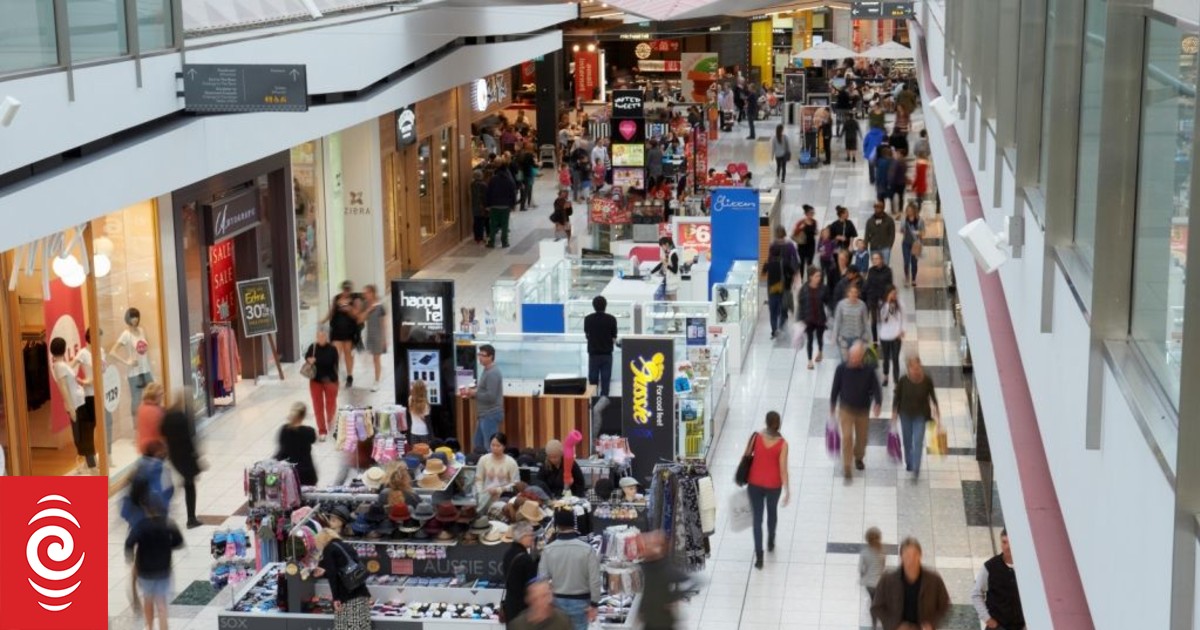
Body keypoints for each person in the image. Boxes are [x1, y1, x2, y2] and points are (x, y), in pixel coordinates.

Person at [124, 495, 183, 630]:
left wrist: (131, 557)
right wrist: (168, 546)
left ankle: (149, 627)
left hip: (145, 571)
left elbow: (129, 543)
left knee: (148, 600)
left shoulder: (140, 526)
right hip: (163, 569)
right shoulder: (168, 524)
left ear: (146, 509)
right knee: (162, 605)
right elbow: (179, 542)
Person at [539, 509, 603, 630]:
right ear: (574, 524)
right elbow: (594, 580)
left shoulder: (548, 550)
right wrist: (594, 604)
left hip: (557, 602)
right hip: (581, 602)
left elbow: (542, 580)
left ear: (556, 525)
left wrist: (544, 603)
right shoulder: (587, 549)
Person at [871, 538, 951, 630]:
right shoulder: (888, 580)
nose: (911, 559)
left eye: (915, 555)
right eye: (907, 555)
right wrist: (894, 625)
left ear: (920, 555)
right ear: (901, 557)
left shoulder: (934, 580)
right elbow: (877, 607)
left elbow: (944, 605)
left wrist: (931, 623)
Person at [830, 341, 882, 480]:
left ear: (862, 357)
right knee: (847, 437)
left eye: (856, 357)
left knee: (862, 439)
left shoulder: (869, 370)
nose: (853, 359)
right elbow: (835, 388)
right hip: (846, 409)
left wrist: (878, 402)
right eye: (851, 356)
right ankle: (847, 466)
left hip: (863, 410)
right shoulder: (841, 369)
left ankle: (858, 457)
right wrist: (832, 405)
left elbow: (876, 387)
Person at [744, 411, 790, 568]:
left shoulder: (756, 437)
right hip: (774, 485)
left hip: (754, 483)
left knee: (757, 518)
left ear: (766, 422)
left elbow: (745, 455)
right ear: (779, 424)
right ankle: (771, 539)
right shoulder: (783, 444)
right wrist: (787, 490)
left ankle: (759, 556)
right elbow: (783, 469)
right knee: (772, 512)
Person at [50, 336, 96, 471]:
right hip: (76, 404)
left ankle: (89, 464)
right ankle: (89, 465)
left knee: (85, 432)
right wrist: (71, 408)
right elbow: (63, 388)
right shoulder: (59, 367)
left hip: (79, 401)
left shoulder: (61, 365)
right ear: (63, 349)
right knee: (82, 434)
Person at [313, 529, 372, 630]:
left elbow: (333, 575)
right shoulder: (346, 546)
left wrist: (336, 598)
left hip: (347, 597)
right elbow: (351, 571)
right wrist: (325, 573)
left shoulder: (329, 549)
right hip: (361, 593)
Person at [893, 355, 941, 479]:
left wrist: (937, 411)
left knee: (918, 441)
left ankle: (916, 467)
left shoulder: (926, 380)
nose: (916, 370)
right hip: (905, 415)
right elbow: (897, 397)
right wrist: (893, 414)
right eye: (913, 368)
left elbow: (933, 396)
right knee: (907, 441)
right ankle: (909, 462)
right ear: (908, 368)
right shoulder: (903, 381)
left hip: (921, 415)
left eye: (917, 367)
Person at [161, 393, 203, 528]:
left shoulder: (167, 416)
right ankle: (191, 518)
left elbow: (162, 431)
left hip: (174, 455)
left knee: (185, 483)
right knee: (190, 486)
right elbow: (189, 439)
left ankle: (185, 516)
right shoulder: (182, 418)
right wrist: (196, 456)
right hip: (185, 456)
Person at [970, 529, 1025, 630]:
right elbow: (976, 594)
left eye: (1011, 542)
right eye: (1004, 542)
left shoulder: (1027, 567)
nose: (1007, 547)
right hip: (997, 627)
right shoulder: (990, 567)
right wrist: (989, 620)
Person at [638, 531, 690, 630]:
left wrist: (673, 597)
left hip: (663, 622)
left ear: (660, 549)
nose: (646, 547)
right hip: (650, 620)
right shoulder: (647, 566)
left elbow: (696, 580)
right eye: (646, 544)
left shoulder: (665, 569)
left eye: (651, 545)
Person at [111, 307, 153, 422]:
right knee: (136, 400)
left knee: (153, 395)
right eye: (132, 317)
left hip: (146, 369)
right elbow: (112, 352)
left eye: (136, 316)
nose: (135, 319)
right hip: (134, 373)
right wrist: (126, 362)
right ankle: (137, 427)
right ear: (128, 318)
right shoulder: (126, 334)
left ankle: (150, 422)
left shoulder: (141, 330)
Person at [467, 344, 504, 453]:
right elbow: (484, 392)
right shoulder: (486, 370)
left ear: (490, 357)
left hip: (490, 414)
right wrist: (474, 393)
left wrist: (475, 393)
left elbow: (491, 396)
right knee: (478, 444)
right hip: (485, 414)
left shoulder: (492, 373)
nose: (480, 357)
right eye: (479, 354)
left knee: (490, 447)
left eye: (483, 355)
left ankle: (491, 469)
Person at [323, 281, 361, 386]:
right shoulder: (336, 298)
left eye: (348, 290)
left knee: (348, 354)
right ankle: (334, 375)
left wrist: (349, 309)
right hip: (337, 331)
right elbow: (331, 312)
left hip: (349, 332)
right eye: (344, 289)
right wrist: (324, 320)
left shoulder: (355, 299)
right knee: (335, 354)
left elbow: (357, 315)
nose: (346, 292)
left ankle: (349, 375)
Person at [305, 327, 340, 440]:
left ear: (327, 337)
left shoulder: (332, 349)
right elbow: (307, 356)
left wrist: (316, 361)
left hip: (330, 380)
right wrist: (309, 360)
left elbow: (332, 363)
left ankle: (330, 419)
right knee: (317, 406)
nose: (321, 338)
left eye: (323, 336)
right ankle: (322, 430)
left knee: (331, 405)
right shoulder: (313, 347)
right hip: (315, 381)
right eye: (319, 336)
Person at [764, 226, 799, 339]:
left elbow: (765, 270)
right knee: (783, 304)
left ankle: (774, 330)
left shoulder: (772, 246)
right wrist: (795, 274)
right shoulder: (789, 246)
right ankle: (782, 323)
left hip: (772, 285)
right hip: (785, 283)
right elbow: (795, 261)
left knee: (773, 309)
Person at [503, 522, 540, 626]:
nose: (533, 538)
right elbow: (533, 585)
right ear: (523, 536)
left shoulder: (508, 554)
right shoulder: (525, 559)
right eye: (531, 535)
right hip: (523, 609)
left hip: (510, 605)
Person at [276, 402, 318, 486]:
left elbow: (282, 450)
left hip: (289, 473)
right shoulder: (309, 432)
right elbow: (313, 440)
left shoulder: (284, 430)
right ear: (304, 416)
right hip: (307, 473)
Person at [583, 296, 618, 398]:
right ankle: (603, 406)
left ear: (593, 306)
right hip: (607, 355)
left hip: (593, 355)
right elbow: (614, 338)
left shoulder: (588, 319)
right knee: (606, 381)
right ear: (605, 306)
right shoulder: (611, 319)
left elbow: (587, 335)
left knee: (593, 381)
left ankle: (592, 403)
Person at [475, 432, 520, 504]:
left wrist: (498, 490)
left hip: (504, 497)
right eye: (492, 445)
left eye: (498, 446)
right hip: (485, 497)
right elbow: (479, 479)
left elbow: (516, 483)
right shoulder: (483, 459)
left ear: (504, 446)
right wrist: (480, 493)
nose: (495, 448)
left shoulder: (511, 462)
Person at [359, 284, 387, 392]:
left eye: (366, 293)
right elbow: (361, 319)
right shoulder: (365, 304)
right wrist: (368, 310)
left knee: (376, 359)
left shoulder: (380, 306)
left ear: (372, 293)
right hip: (369, 335)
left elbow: (383, 324)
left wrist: (384, 339)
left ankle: (377, 381)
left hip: (378, 336)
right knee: (371, 358)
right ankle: (378, 371)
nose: (365, 295)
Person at [798, 267, 827, 369]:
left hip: (820, 318)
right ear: (811, 277)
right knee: (809, 340)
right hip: (808, 318)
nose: (819, 278)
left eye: (819, 276)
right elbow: (801, 305)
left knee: (820, 337)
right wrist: (800, 319)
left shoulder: (823, 288)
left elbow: (827, 301)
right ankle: (810, 361)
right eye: (817, 276)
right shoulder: (804, 289)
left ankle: (820, 351)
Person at [486, 156, 518, 248]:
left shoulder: (493, 179)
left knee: (493, 225)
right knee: (505, 225)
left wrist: (488, 204)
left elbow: (488, 192)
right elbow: (513, 192)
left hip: (494, 205)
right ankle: (505, 242)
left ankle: (491, 242)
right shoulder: (509, 180)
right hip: (505, 205)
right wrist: (513, 204)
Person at [864, 251, 894, 342]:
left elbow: (890, 285)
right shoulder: (871, 270)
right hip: (873, 298)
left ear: (881, 259)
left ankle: (885, 336)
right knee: (874, 320)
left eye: (877, 258)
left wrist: (890, 299)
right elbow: (868, 283)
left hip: (883, 298)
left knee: (884, 318)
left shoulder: (888, 270)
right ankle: (875, 340)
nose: (875, 261)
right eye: (873, 259)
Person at [833, 285, 871, 358]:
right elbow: (837, 322)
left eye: (855, 292)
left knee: (856, 361)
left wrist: (869, 338)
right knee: (845, 362)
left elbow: (866, 323)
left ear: (858, 293)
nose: (853, 294)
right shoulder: (841, 305)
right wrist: (834, 337)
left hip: (857, 338)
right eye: (851, 292)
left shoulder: (862, 305)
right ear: (848, 293)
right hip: (844, 338)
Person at [878, 287, 905, 386]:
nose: (894, 296)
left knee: (895, 358)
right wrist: (888, 303)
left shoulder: (900, 304)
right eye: (892, 294)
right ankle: (885, 377)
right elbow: (882, 318)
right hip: (885, 335)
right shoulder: (883, 305)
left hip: (896, 336)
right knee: (885, 358)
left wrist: (902, 330)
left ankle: (896, 380)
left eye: (895, 294)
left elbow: (903, 318)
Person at [860, 526, 887, 626]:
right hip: (880, 583)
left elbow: (861, 570)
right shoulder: (882, 552)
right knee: (880, 601)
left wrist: (864, 574)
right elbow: (883, 566)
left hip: (870, 584)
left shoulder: (864, 553)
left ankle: (874, 623)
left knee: (873, 601)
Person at [136, 382, 166, 456]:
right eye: (160, 395)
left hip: (143, 447)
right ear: (154, 396)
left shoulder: (141, 407)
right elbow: (160, 431)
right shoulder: (156, 410)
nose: (162, 397)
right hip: (154, 448)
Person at [864, 201, 897, 265]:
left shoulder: (889, 220)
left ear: (883, 208)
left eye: (879, 207)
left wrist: (889, 245)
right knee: (875, 265)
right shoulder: (870, 221)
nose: (877, 209)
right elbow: (866, 235)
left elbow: (892, 234)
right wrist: (865, 247)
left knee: (885, 265)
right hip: (874, 247)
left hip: (885, 247)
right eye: (875, 207)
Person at [901, 203, 926, 287]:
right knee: (906, 261)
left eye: (910, 210)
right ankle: (907, 277)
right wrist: (904, 230)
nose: (909, 212)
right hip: (906, 243)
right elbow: (901, 230)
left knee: (914, 262)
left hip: (916, 244)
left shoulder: (920, 220)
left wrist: (917, 232)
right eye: (907, 210)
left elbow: (923, 232)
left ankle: (913, 279)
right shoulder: (904, 219)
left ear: (914, 211)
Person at [651, 236, 682, 300]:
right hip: (668, 282)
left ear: (667, 244)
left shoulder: (674, 254)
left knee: (673, 303)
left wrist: (665, 264)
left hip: (672, 283)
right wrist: (651, 272)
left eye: (662, 246)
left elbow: (675, 270)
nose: (662, 248)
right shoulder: (668, 253)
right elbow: (662, 264)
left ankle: (678, 311)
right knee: (667, 302)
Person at [792, 205, 818, 276]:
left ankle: (810, 278)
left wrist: (816, 232)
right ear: (806, 214)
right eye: (810, 213)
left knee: (810, 263)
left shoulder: (814, 222)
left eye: (813, 213)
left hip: (811, 245)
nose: (812, 215)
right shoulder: (801, 222)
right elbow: (795, 233)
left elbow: (815, 231)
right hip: (802, 245)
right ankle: (801, 278)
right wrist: (800, 228)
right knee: (802, 263)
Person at [408, 379, 432, 444]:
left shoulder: (410, 399)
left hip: (413, 431)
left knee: (415, 453)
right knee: (425, 453)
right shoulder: (425, 404)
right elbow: (428, 422)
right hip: (424, 432)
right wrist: (432, 436)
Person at [472, 169, 489, 244]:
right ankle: (481, 237)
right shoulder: (484, 185)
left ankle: (477, 238)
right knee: (482, 222)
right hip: (482, 206)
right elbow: (485, 197)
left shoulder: (472, 184)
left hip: (474, 205)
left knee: (476, 222)